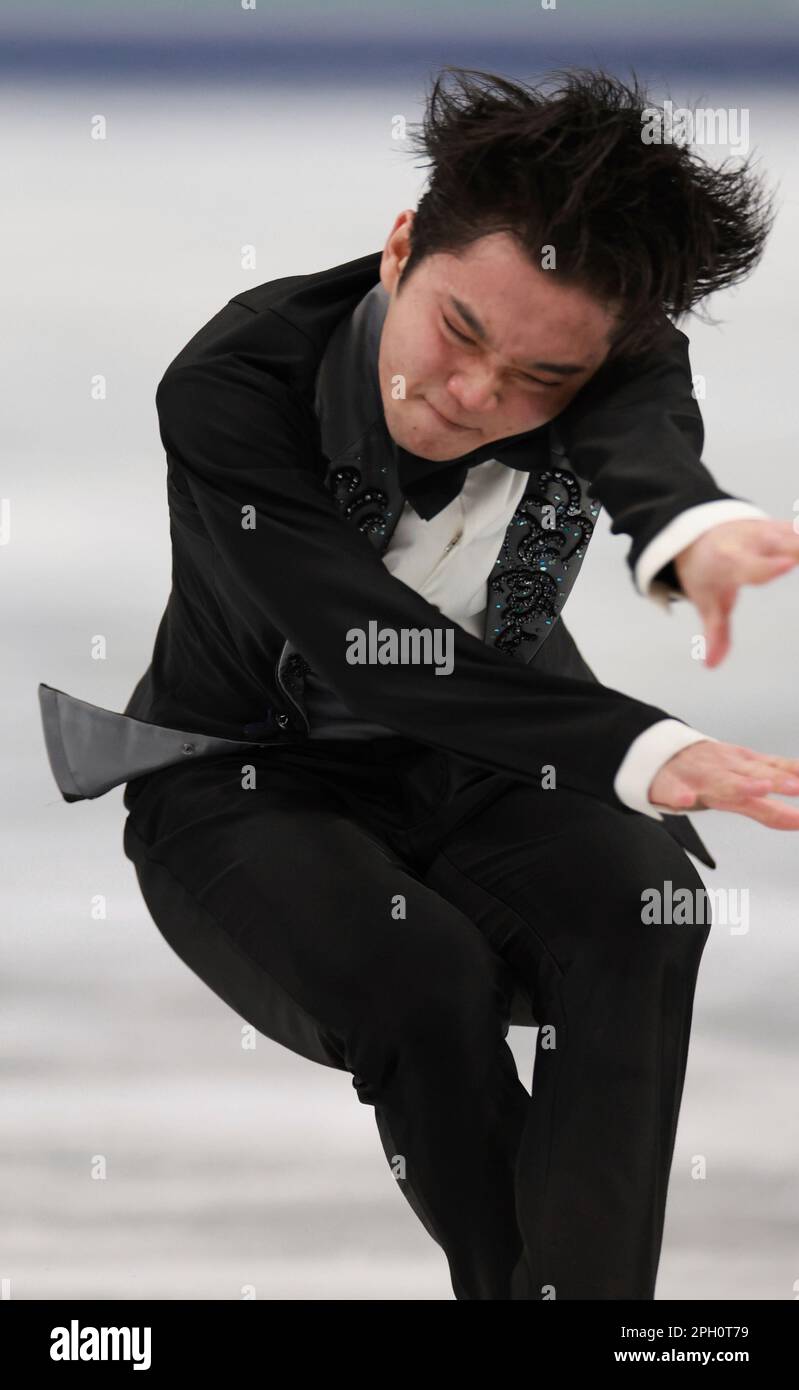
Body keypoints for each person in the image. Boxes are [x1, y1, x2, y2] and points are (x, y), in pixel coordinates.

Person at [38, 66, 799, 1299]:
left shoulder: (604, 357)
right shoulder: (236, 383)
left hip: (491, 764)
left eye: (541, 381)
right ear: (403, 246)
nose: (475, 395)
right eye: (460, 331)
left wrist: (689, 529)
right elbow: (364, 648)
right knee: (423, 977)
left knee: (643, 906)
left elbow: (643, 445)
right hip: (247, 778)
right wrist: (644, 748)